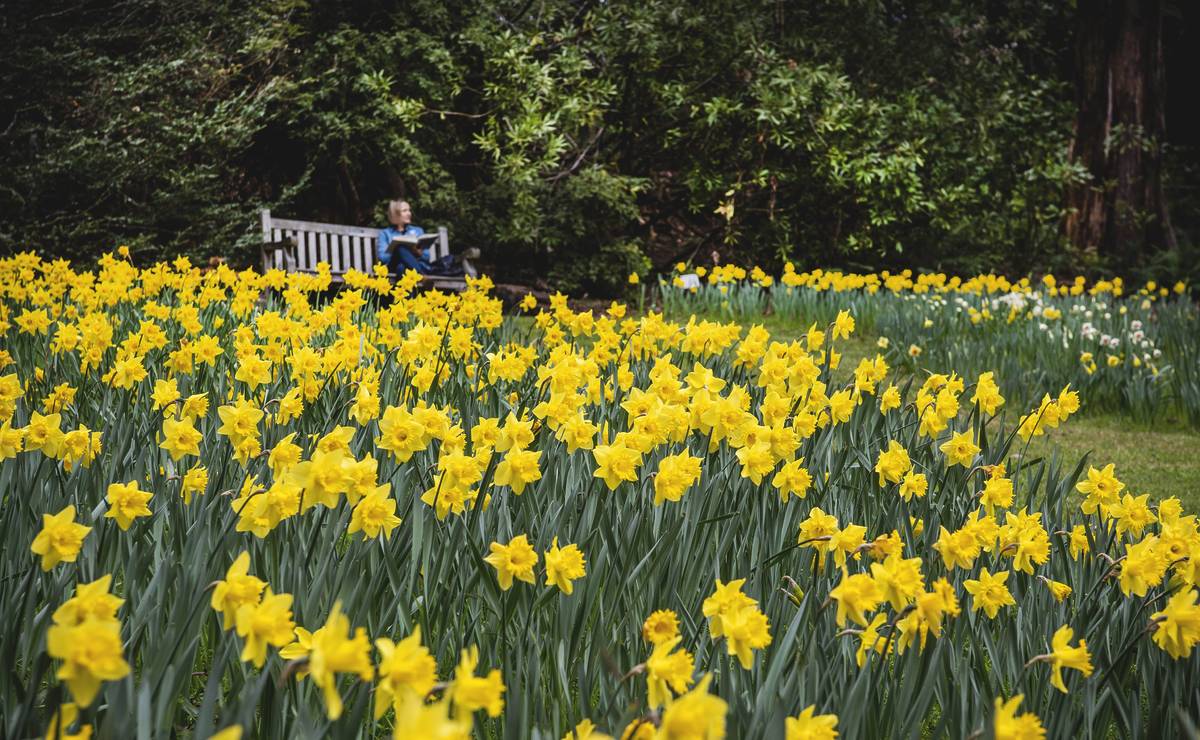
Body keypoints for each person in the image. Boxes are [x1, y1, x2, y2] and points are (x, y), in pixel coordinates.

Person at [377, 199, 466, 277]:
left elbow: (427, 257)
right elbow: (383, 259)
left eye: (409, 210)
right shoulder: (385, 233)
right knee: (400, 248)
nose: (409, 213)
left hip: (412, 267)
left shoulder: (418, 231)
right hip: (392, 266)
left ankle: (415, 285)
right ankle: (422, 276)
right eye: (405, 211)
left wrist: (419, 253)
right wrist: (395, 250)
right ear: (395, 214)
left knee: (401, 268)